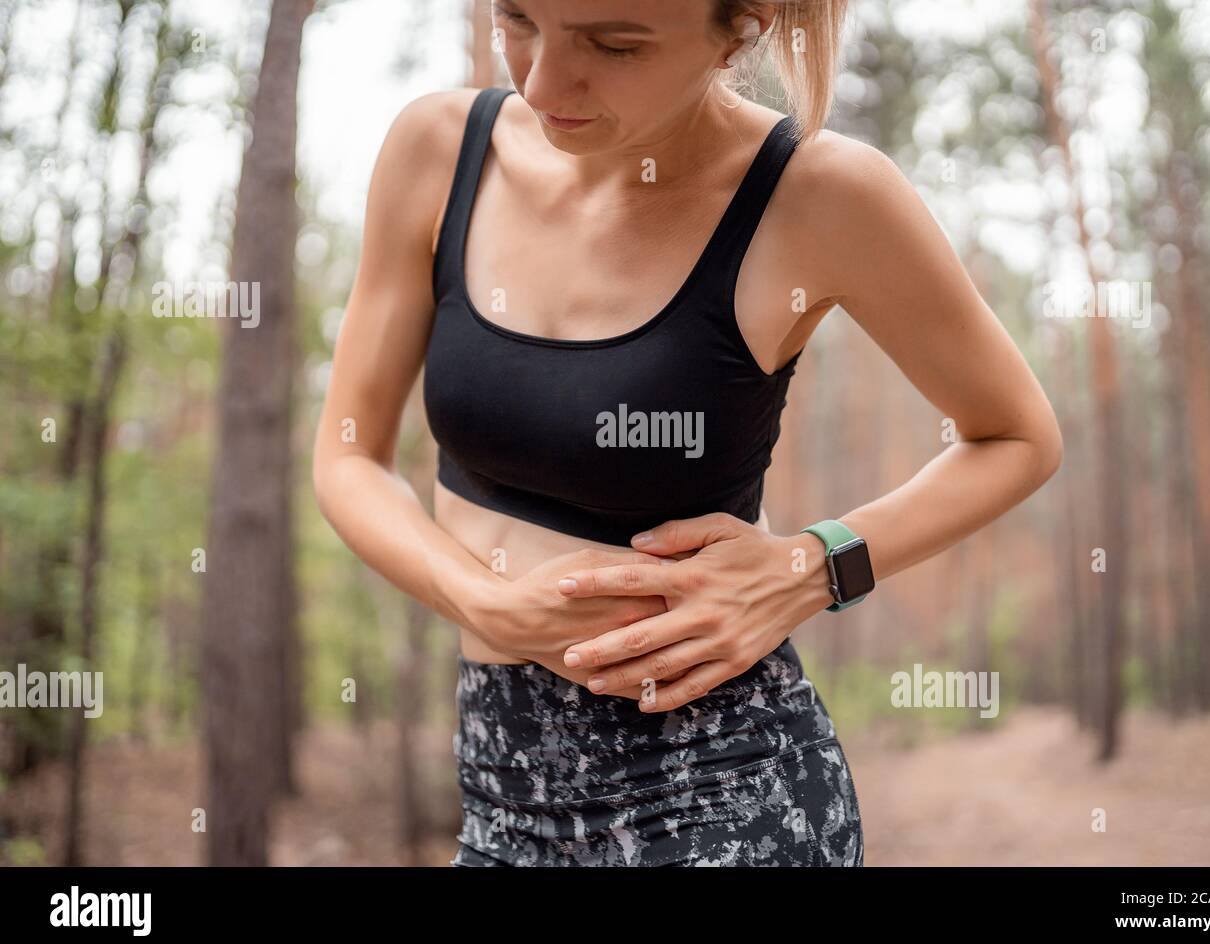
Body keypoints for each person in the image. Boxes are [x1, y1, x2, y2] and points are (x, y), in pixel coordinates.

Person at [312, 0, 1063, 866]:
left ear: (739, 28)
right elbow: (347, 455)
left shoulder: (821, 193)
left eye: (613, 43)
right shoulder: (438, 151)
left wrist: (811, 568)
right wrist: (479, 600)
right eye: (515, 18)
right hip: (499, 801)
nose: (542, 79)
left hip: (724, 795)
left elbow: (1016, 434)